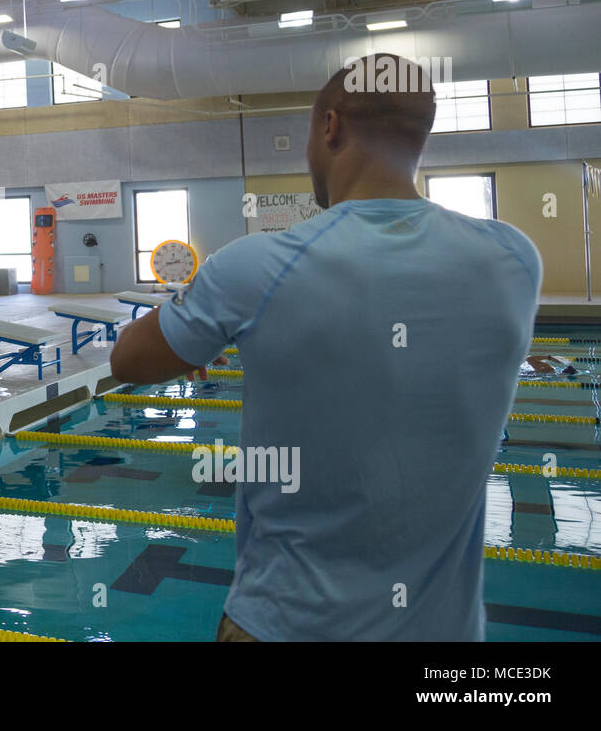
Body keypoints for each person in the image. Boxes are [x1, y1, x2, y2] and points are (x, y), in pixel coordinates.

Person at [110, 53, 541, 641]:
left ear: (330, 127)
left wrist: (204, 305)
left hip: (282, 626)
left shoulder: (254, 268)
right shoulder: (514, 261)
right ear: (422, 135)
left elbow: (127, 359)